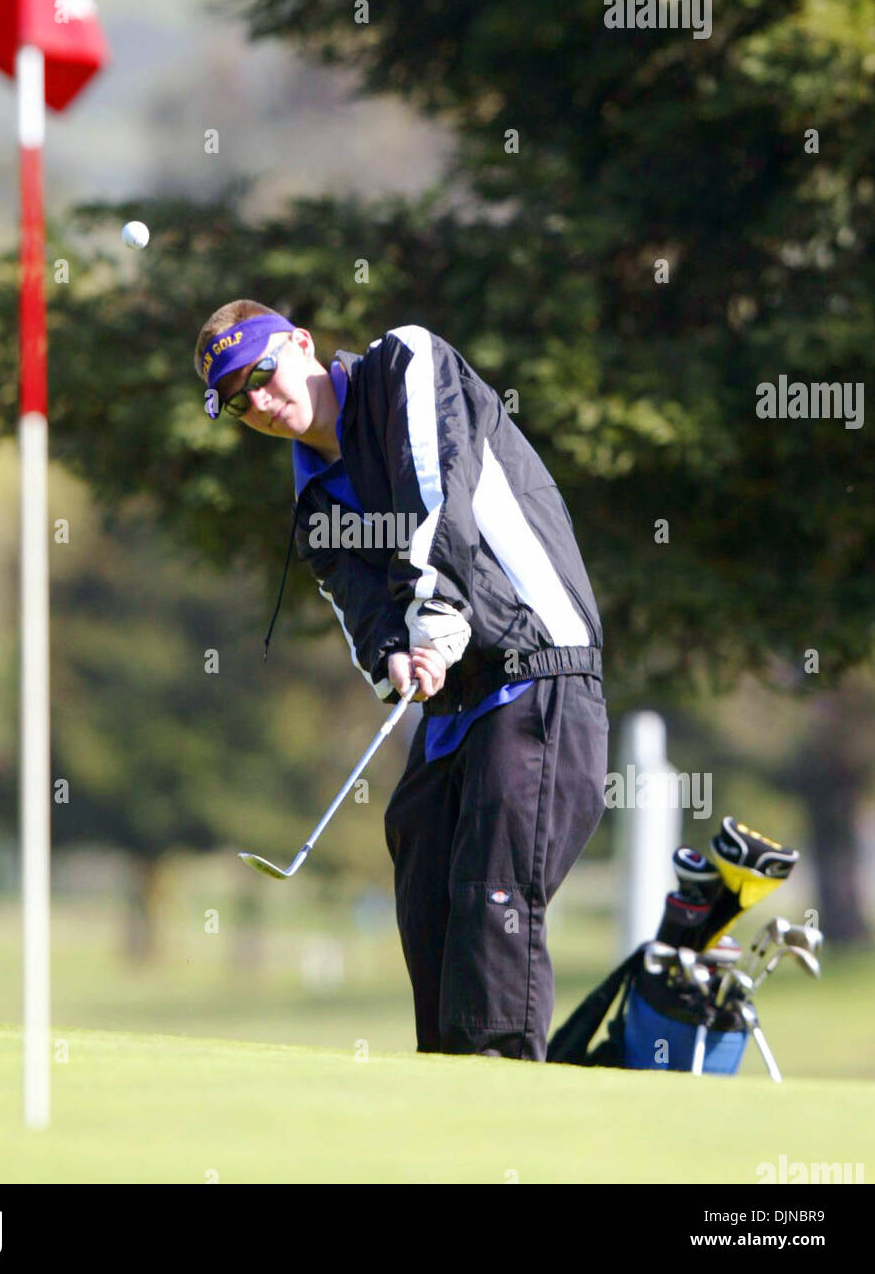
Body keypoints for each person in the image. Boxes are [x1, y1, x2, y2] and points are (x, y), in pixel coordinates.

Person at [195, 300, 609, 1060]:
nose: (256, 400)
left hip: (540, 672)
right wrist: (394, 657)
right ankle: (446, 1107)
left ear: (302, 344)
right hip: (456, 702)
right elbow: (362, 611)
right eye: (234, 398)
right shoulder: (315, 503)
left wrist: (434, 603)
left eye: (260, 372)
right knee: (425, 894)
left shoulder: (403, 365)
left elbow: (435, 481)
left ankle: (506, 1116)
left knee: (493, 904)